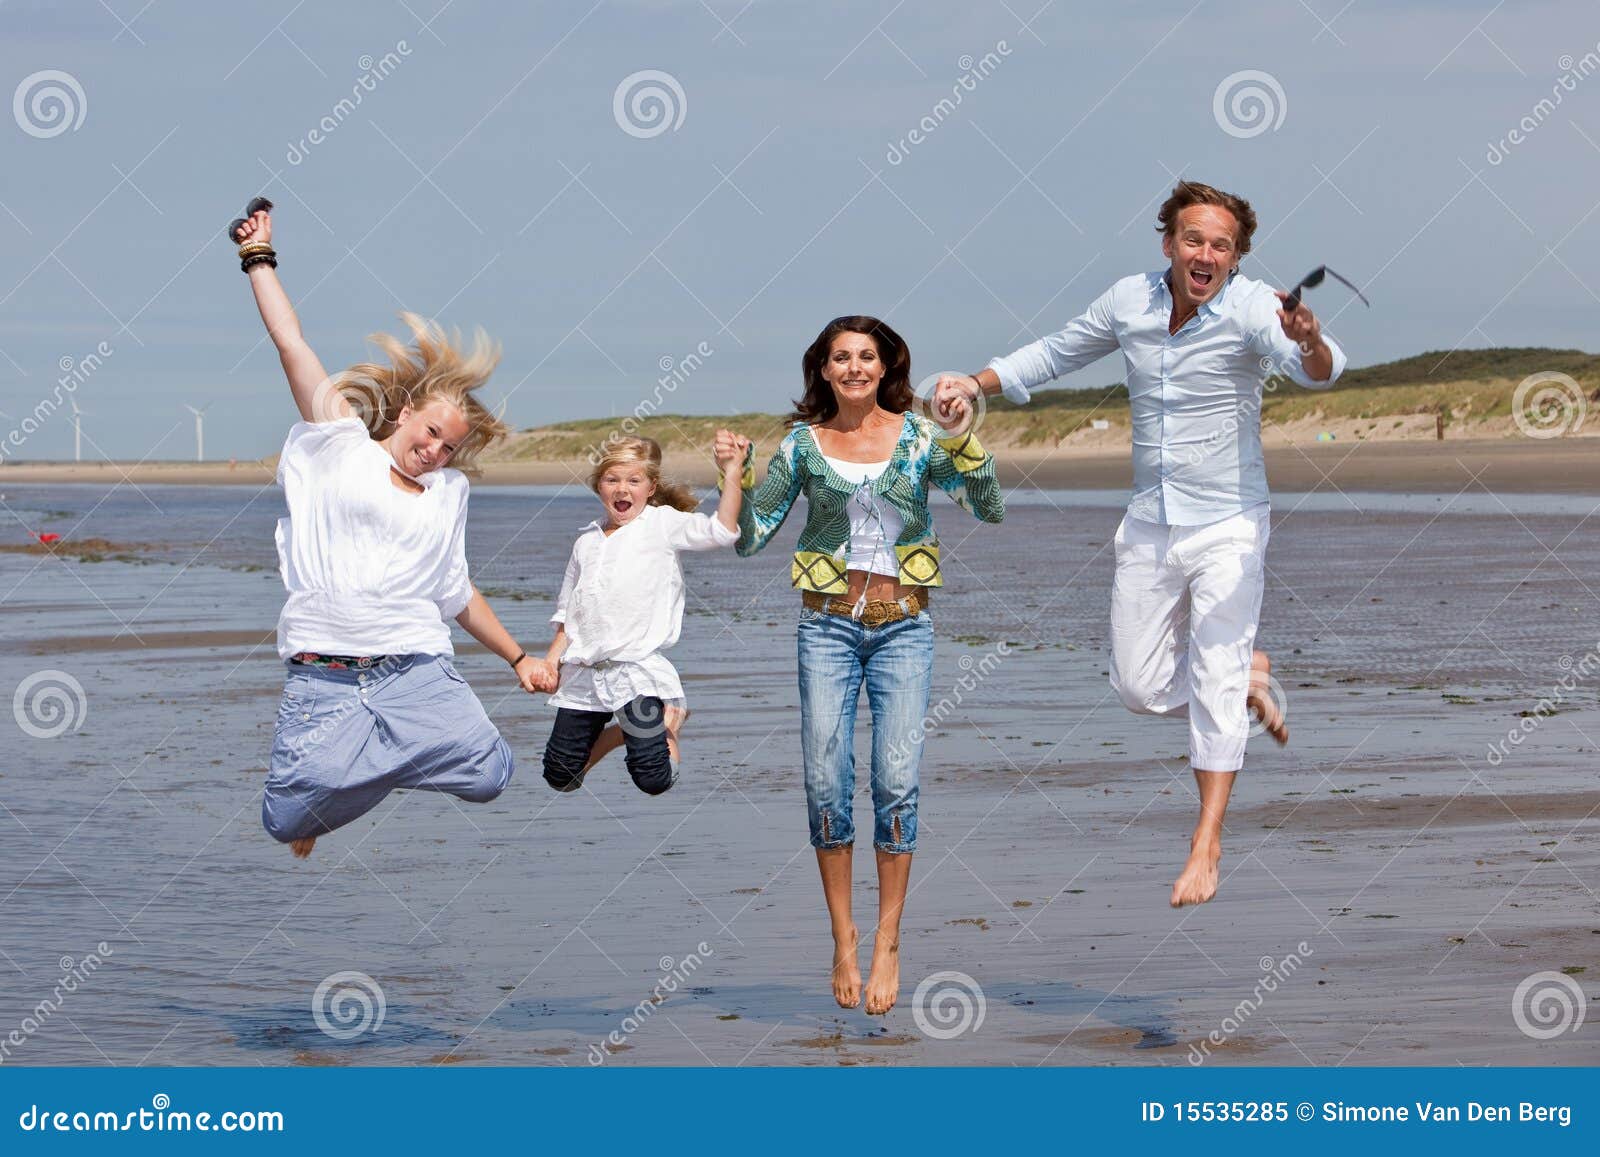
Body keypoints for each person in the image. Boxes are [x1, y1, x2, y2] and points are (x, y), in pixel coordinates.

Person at [935, 179, 1347, 907]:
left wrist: (1310, 339)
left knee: (1213, 679)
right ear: (1169, 243)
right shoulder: (1130, 300)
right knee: (1136, 684)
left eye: (1222, 245)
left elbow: (1317, 370)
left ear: (1236, 258)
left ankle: (1206, 840)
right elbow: (1057, 353)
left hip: (1230, 521)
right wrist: (976, 379)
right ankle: (1243, 675)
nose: (1207, 253)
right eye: (1194, 238)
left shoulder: (1255, 307)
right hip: (1151, 519)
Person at [232, 201, 542, 859]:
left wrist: (519, 657)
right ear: (405, 413)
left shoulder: (446, 497)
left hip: (413, 668)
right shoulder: (339, 442)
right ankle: (385, 759)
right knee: (285, 820)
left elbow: (456, 593)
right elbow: (293, 344)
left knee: (490, 772)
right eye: (431, 433)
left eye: (449, 447)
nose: (434, 451)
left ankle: (389, 756)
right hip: (325, 672)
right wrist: (258, 257)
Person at [718, 315, 1004, 1015]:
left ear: (886, 367)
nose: (853, 367)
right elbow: (750, 539)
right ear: (822, 368)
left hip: (904, 625)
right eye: (840, 357)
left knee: (896, 781)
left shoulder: (917, 437)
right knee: (825, 779)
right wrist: (735, 474)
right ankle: (843, 935)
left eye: (865, 356)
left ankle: (888, 937)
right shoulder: (802, 447)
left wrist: (963, 435)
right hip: (825, 627)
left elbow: (988, 506)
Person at [534, 435, 743, 794]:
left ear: (651, 487)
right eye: (612, 479)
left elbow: (722, 532)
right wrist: (551, 663)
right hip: (584, 674)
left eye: (634, 480)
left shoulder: (661, 524)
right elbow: (569, 612)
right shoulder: (586, 541)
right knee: (561, 777)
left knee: (653, 779)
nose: (622, 488)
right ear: (598, 485)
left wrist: (732, 470)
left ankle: (668, 723)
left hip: (636, 675)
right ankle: (619, 735)